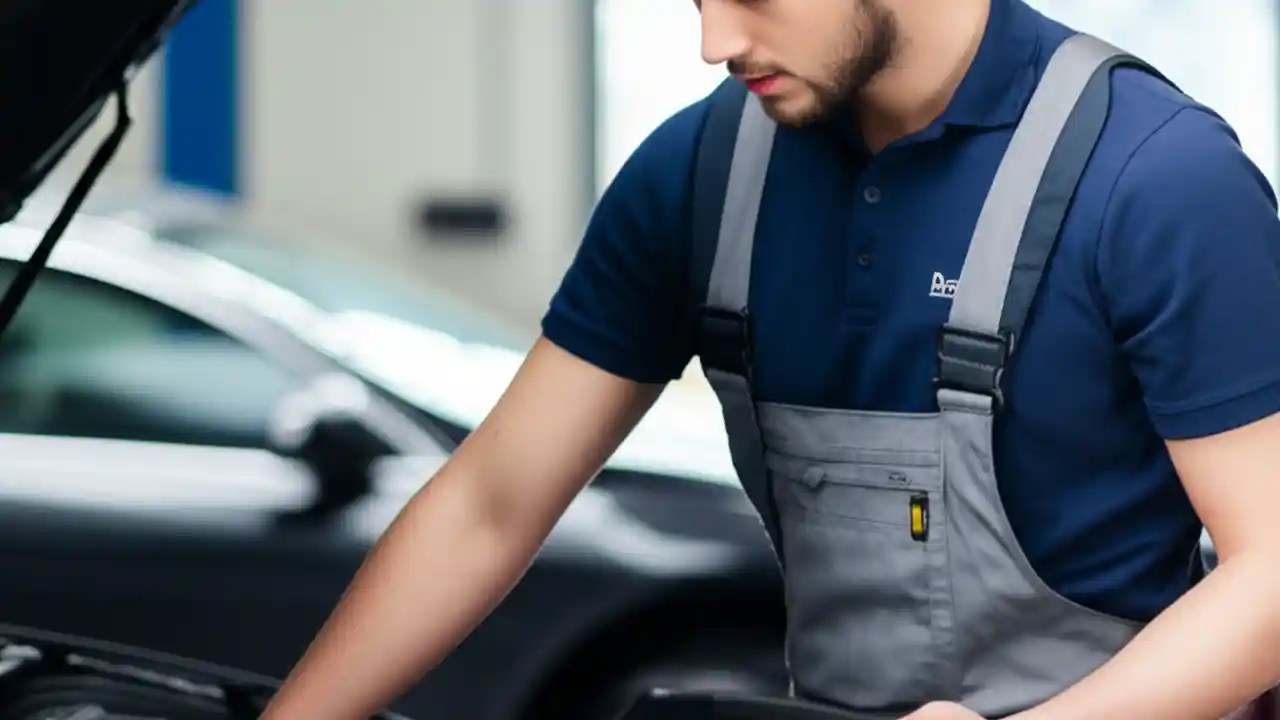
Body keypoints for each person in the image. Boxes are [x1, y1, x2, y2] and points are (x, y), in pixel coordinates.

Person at [260, 1, 1280, 718]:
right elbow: (490, 503)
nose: (713, 40)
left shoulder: (1154, 177)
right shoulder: (696, 175)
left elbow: (1270, 575)